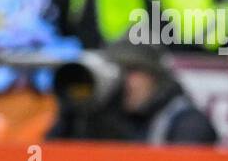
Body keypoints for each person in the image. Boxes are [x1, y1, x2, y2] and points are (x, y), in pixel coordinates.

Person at [48, 39, 217, 145]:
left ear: (156, 77)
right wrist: (72, 115)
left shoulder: (184, 122)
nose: (122, 81)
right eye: (115, 70)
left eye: (131, 71)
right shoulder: (95, 115)